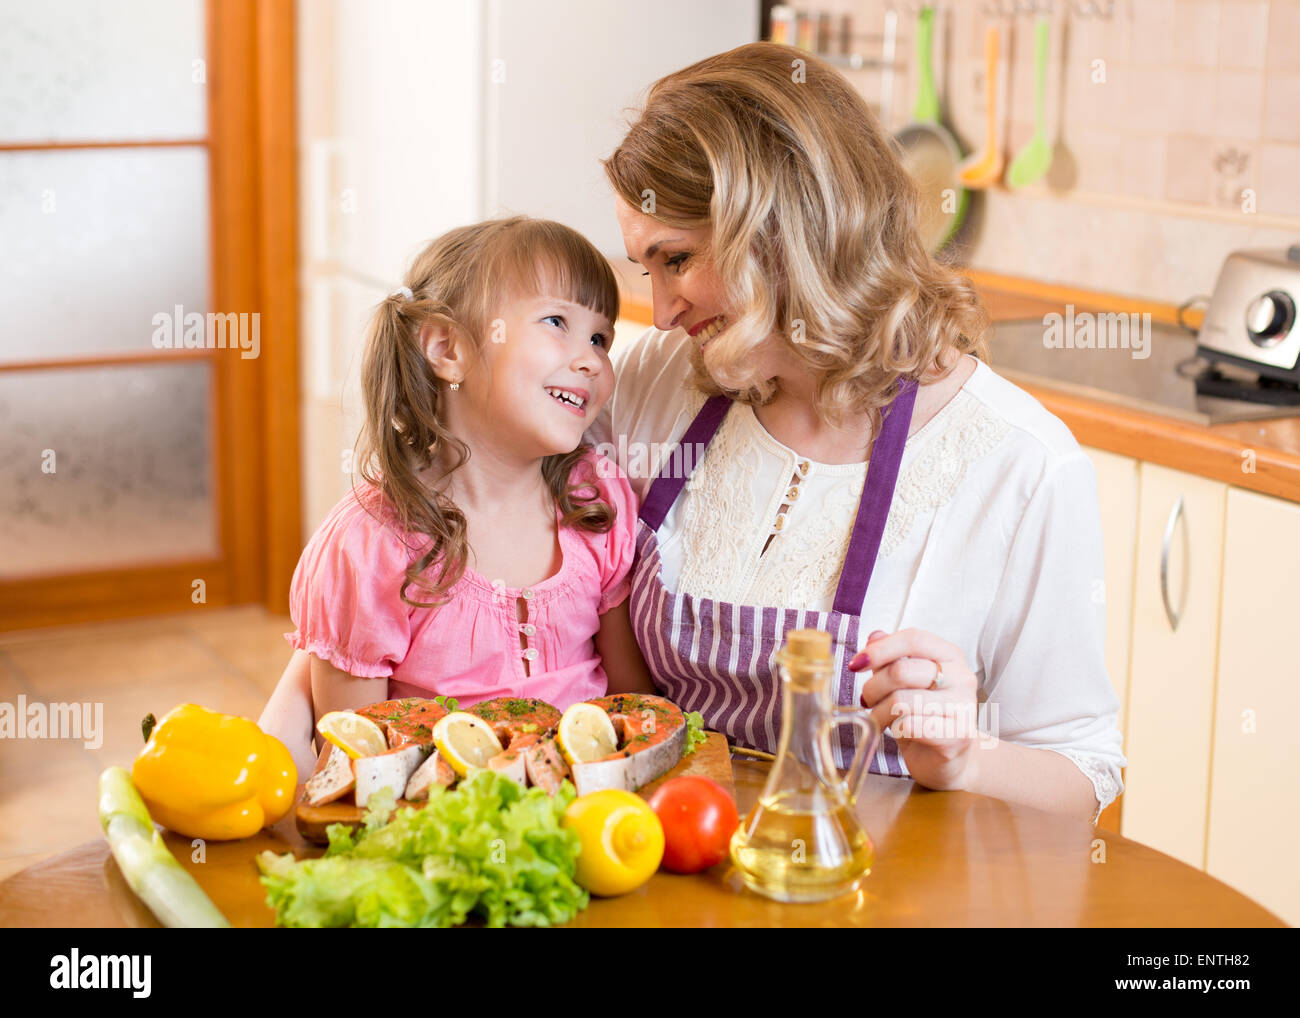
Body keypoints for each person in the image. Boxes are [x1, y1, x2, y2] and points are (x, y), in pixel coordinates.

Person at [585, 42, 1126, 824]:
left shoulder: (1022, 463)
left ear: (784, 227)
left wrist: (967, 756)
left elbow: (1084, 775)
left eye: (678, 260)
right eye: (647, 269)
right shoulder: (659, 379)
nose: (663, 309)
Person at [259, 217, 654, 780]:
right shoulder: (369, 544)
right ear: (447, 349)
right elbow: (360, 763)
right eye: (556, 322)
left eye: (600, 337)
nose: (591, 358)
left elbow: (634, 711)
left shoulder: (596, 500)